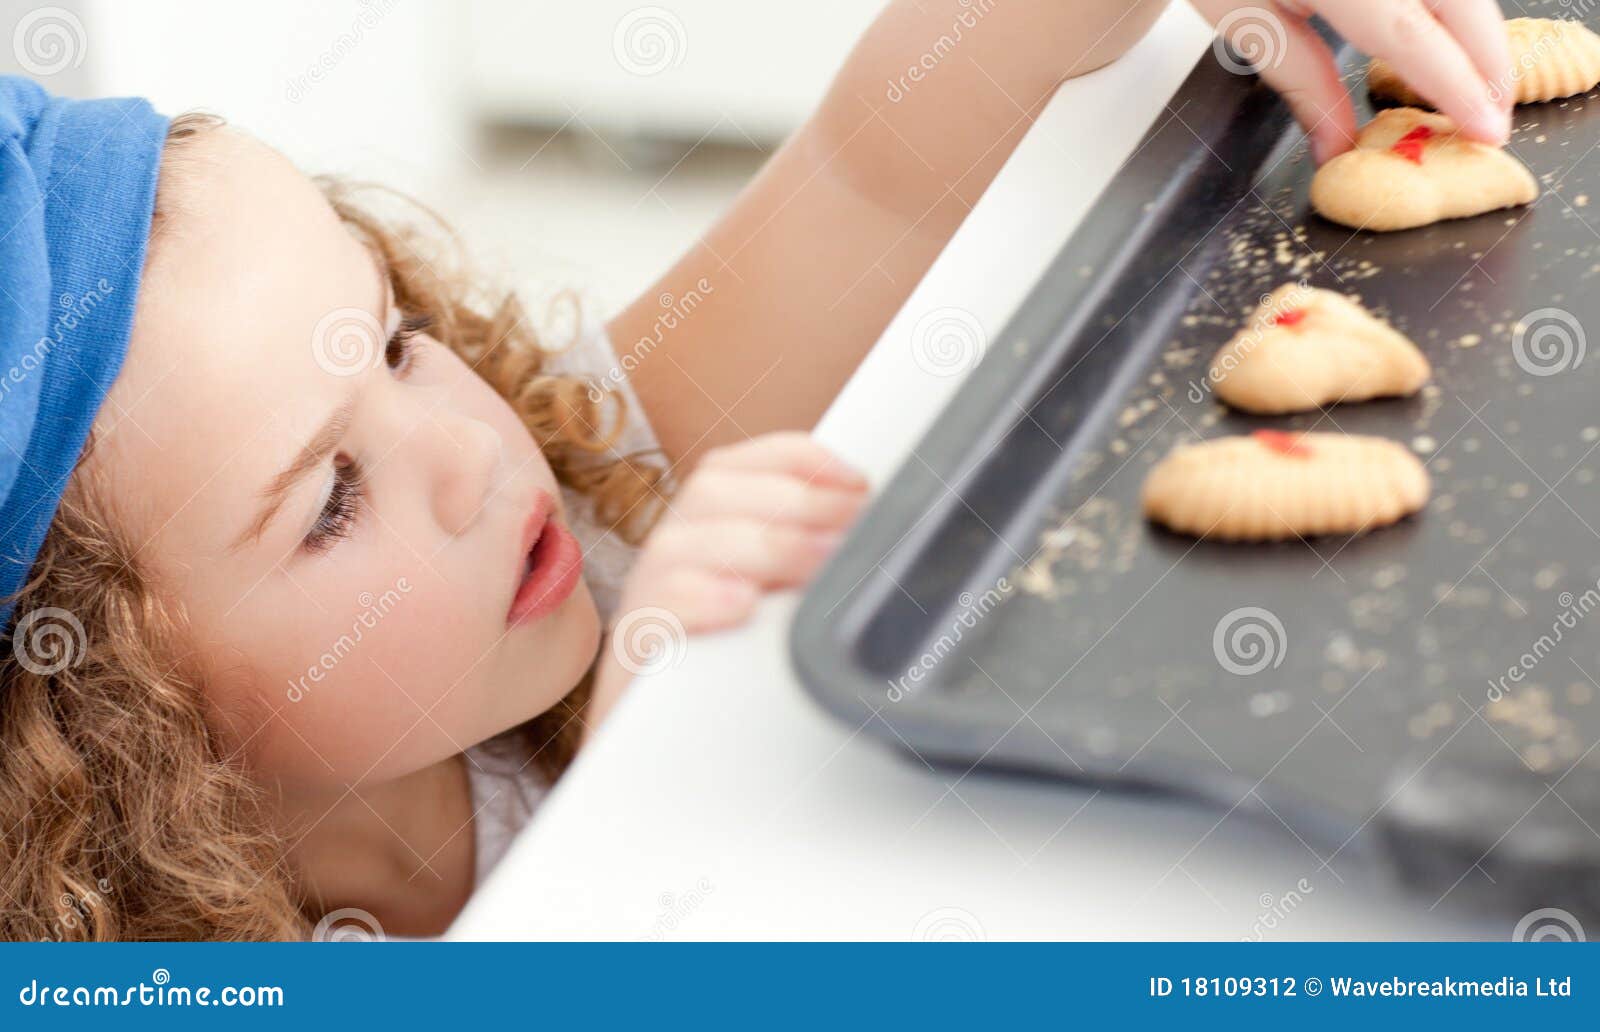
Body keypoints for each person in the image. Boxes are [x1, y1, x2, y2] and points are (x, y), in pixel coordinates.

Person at [0, 0, 1513, 939]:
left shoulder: (570, 490)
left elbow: (874, 165)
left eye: (392, 340)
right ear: (107, 725)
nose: (466, 451)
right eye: (330, 500)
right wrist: (651, 790)